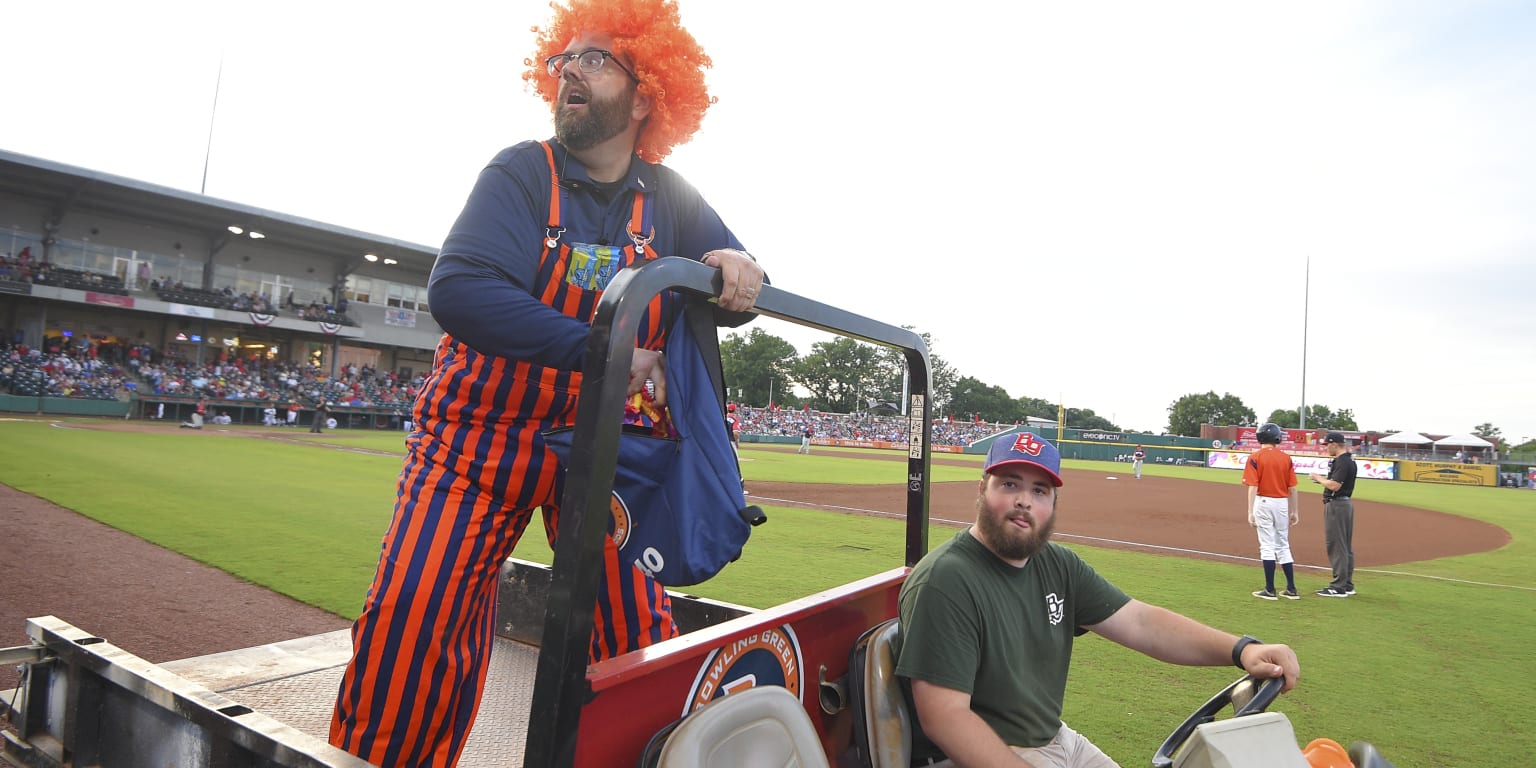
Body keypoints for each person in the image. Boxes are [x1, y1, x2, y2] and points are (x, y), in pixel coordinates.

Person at [328, 1, 767, 764]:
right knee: (415, 618)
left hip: (601, 449)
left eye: (596, 59)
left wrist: (738, 263)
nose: (571, 69)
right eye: (565, 58)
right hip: (475, 438)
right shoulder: (520, 172)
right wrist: (607, 349)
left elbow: (735, 286)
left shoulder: (671, 196)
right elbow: (462, 290)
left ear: (645, 93)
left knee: (637, 633)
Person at [895, 433, 1301, 767]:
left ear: (1052, 505)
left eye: (1039, 490)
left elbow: (1141, 622)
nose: (1024, 500)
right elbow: (945, 718)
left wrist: (1242, 649)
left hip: (1057, 740)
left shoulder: (1055, 564)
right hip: (1000, 754)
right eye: (1009, 484)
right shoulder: (947, 579)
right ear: (982, 489)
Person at [1245, 422, 1300, 600]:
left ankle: (1270, 589)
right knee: (1283, 544)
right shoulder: (1286, 458)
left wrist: (1250, 511)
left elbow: (1253, 486)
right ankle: (1291, 588)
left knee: (1267, 545)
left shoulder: (1255, 457)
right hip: (1282, 503)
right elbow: (1293, 488)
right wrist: (1295, 511)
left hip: (1264, 501)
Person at [1309, 432, 1357, 597]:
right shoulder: (1349, 460)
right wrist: (1322, 481)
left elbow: (1335, 485)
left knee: (1337, 545)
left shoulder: (1342, 461)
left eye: (1327, 445)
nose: (1326, 448)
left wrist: (1318, 478)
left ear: (1334, 444)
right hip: (1344, 504)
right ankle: (1347, 584)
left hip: (1337, 505)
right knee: (1345, 545)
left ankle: (1338, 586)